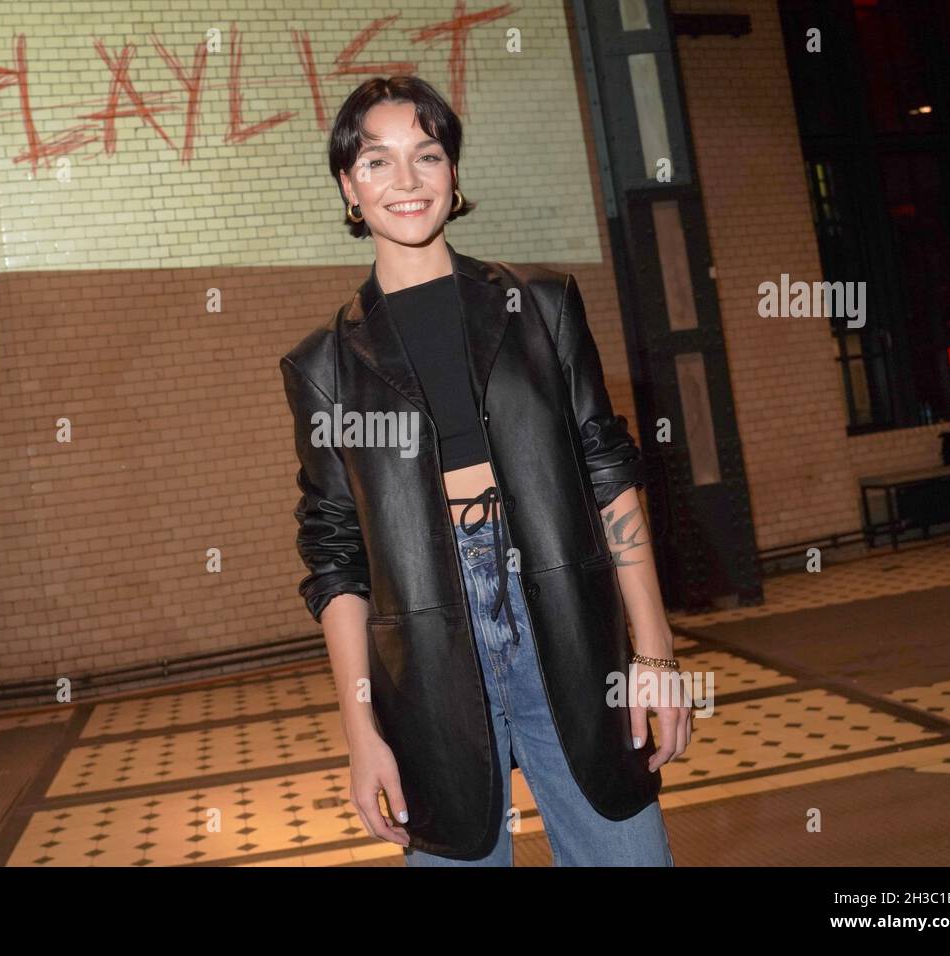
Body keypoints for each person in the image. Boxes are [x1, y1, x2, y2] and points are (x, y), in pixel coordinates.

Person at [279, 75, 692, 866]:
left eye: (426, 156)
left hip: (568, 623)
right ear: (348, 187)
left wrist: (656, 654)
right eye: (376, 162)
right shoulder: (323, 367)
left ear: (454, 175)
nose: (406, 181)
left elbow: (609, 475)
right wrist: (361, 731)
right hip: (426, 661)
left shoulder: (542, 307)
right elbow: (336, 559)